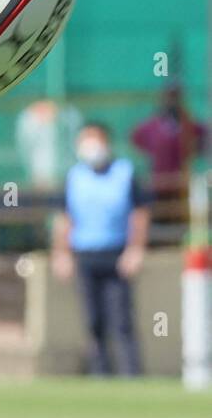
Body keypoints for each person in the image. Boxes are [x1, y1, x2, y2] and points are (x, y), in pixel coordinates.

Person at [51, 121, 152, 376]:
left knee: (122, 320)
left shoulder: (124, 172)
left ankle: (131, 376)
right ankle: (100, 375)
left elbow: (139, 214)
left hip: (117, 253)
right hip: (85, 254)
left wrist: (136, 249)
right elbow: (64, 218)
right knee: (93, 321)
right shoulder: (74, 176)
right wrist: (61, 253)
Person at [130, 83, 206, 227]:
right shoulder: (152, 125)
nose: (172, 101)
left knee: (181, 212)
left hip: (181, 179)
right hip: (159, 178)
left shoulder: (187, 124)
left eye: (175, 97)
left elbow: (203, 136)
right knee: (159, 211)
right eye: (169, 96)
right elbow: (137, 138)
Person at [16, 98, 82, 193]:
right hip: (40, 175)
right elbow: (25, 147)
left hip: (65, 174)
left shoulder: (69, 115)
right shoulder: (27, 119)